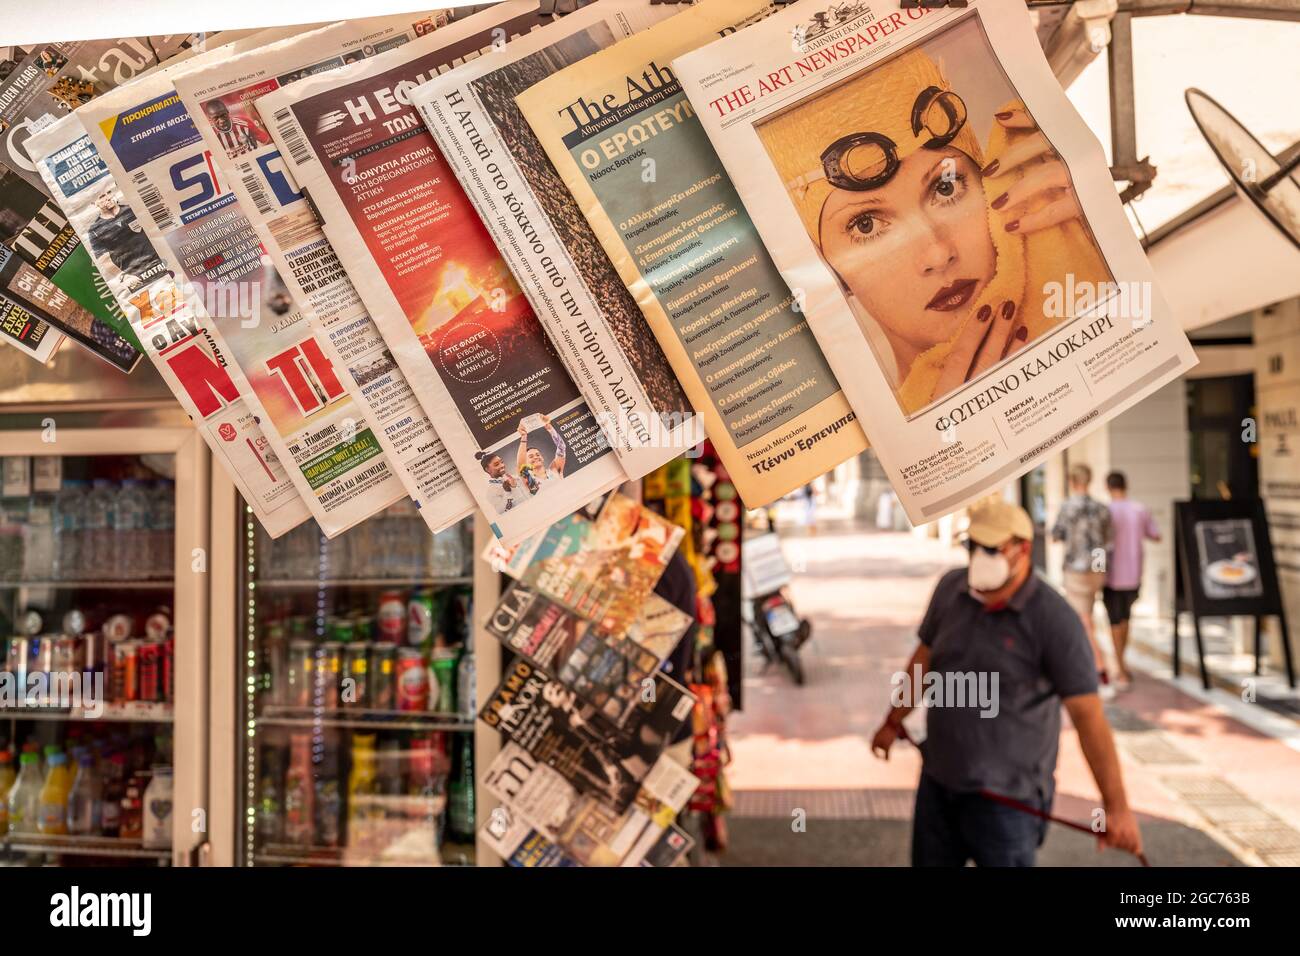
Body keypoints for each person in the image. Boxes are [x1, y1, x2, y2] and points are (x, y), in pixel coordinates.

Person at [757, 47, 1109, 414]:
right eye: (866, 225)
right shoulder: (857, 449)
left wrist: (1097, 243)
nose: (938, 254)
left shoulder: (1087, 296)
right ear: (827, 265)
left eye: (946, 187)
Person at [871, 497, 1142, 866]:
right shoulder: (951, 590)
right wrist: (893, 719)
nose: (978, 556)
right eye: (972, 546)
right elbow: (924, 659)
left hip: (1008, 803)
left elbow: (1088, 717)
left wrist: (1117, 807)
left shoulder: (1054, 620)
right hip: (939, 783)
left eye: (990, 548)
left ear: (1023, 549)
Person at [1051, 463, 1113, 688]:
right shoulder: (1101, 507)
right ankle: (1094, 662)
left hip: (1076, 567)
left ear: (1072, 481)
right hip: (1097, 564)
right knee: (1089, 616)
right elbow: (1107, 538)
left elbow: (1056, 534)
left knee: (1084, 621)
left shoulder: (1067, 507)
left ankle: (1100, 668)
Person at [1103, 471, 1160, 690]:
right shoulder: (1140, 509)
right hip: (1134, 573)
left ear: (1108, 487)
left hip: (1111, 575)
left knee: (1114, 620)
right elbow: (1156, 535)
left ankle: (1120, 666)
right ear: (1126, 485)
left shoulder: (1106, 511)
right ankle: (1122, 663)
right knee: (1126, 618)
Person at [85, 183, 164, 291]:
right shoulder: (94, 230)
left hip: (161, 264)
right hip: (135, 278)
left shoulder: (133, 210)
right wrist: (123, 276)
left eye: (109, 192)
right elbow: (104, 260)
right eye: (102, 196)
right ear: (94, 203)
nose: (108, 197)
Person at [515, 415, 565, 494]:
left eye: (538, 454)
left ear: (542, 457)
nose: (535, 457)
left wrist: (549, 427)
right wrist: (524, 436)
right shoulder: (529, 479)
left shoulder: (554, 469)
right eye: (531, 456)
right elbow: (520, 465)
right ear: (526, 463)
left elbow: (561, 447)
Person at [476, 449, 528, 514]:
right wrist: (508, 492)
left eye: (502, 462)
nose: (502, 465)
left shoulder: (516, 478)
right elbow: (502, 511)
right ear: (487, 469)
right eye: (496, 464)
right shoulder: (491, 491)